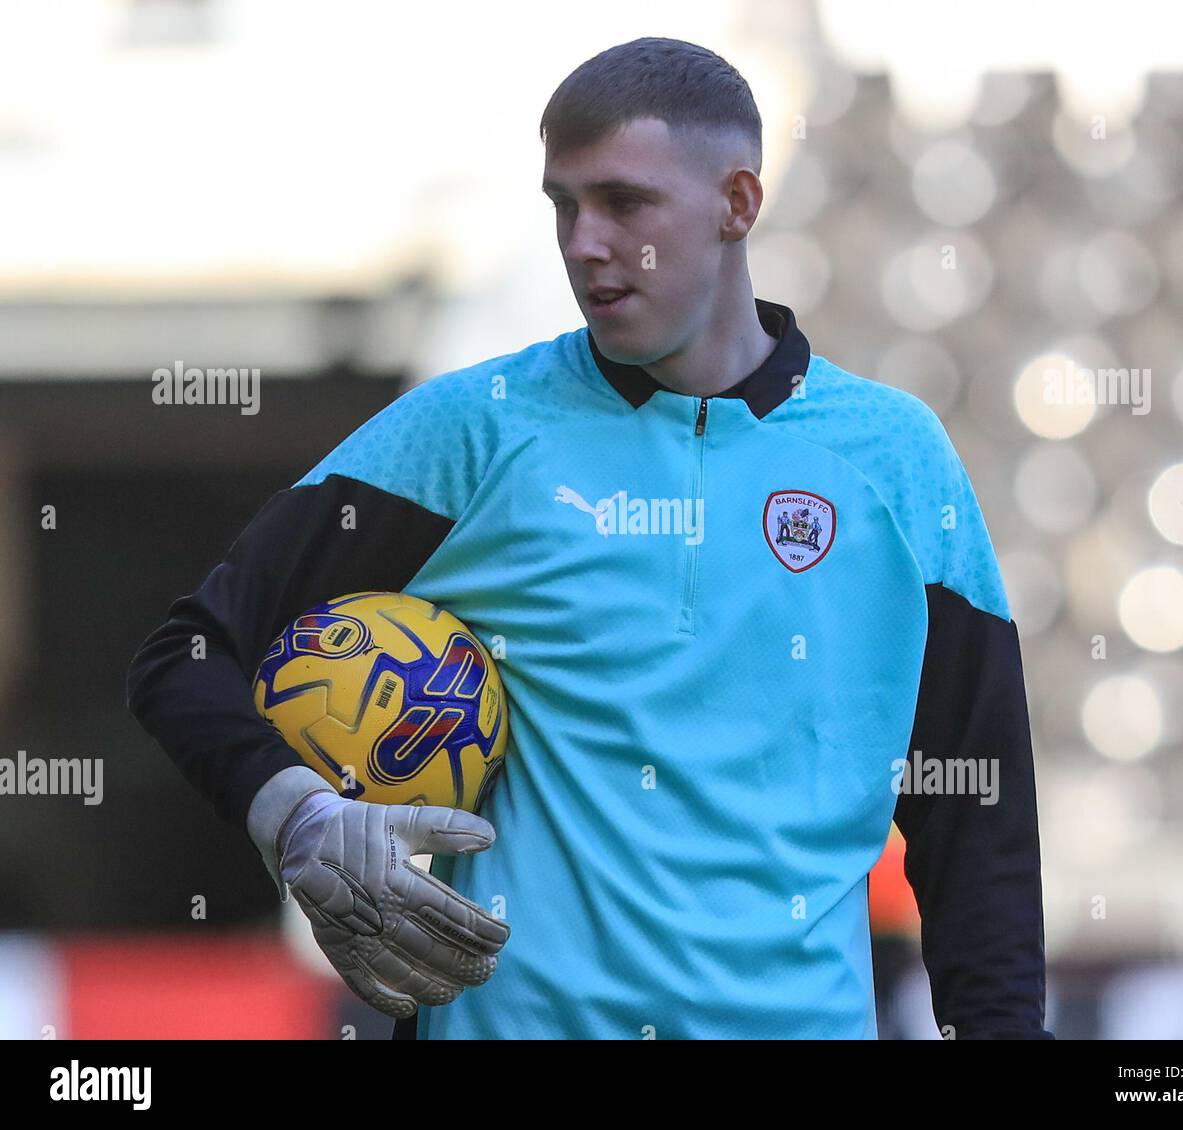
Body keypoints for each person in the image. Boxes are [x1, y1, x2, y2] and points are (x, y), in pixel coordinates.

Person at [126, 36, 1051, 1040]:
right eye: (562, 205)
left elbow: (977, 820)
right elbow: (185, 657)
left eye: (623, 203)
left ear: (737, 203)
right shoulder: (472, 431)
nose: (582, 242)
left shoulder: (897, 462)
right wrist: (298, 813)